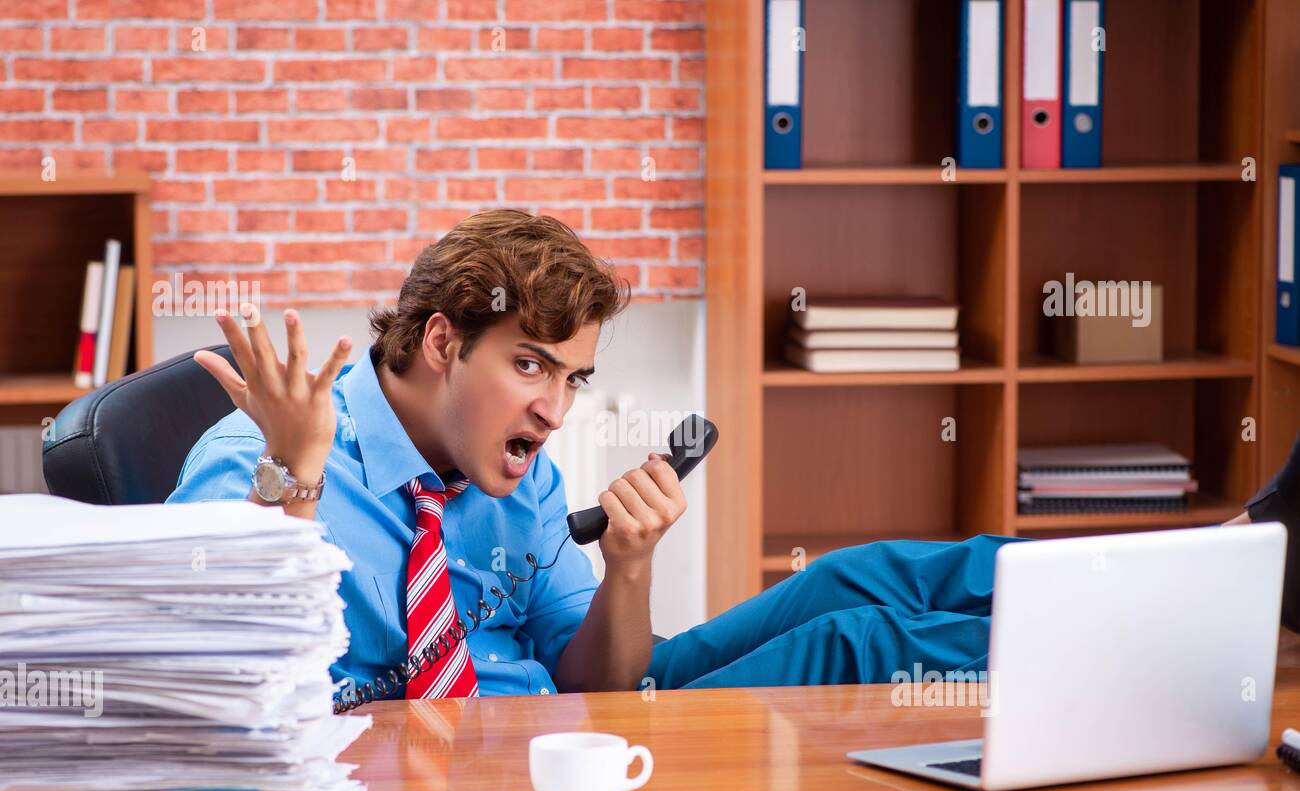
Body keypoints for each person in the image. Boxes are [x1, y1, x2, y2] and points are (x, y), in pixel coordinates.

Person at [167, 209, 1297, 702]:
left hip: (588, 712)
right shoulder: (267, 455)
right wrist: (298, 482)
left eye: (575, 379)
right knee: (862, 642)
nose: (556, 410)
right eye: (533, 367)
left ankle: (1203, 566)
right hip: (499, 759)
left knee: (855, 577)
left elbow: (603, 683)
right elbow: (215, 680)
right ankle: (1176, 631)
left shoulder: (525, 481)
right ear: (442, 340)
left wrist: (631, 569)